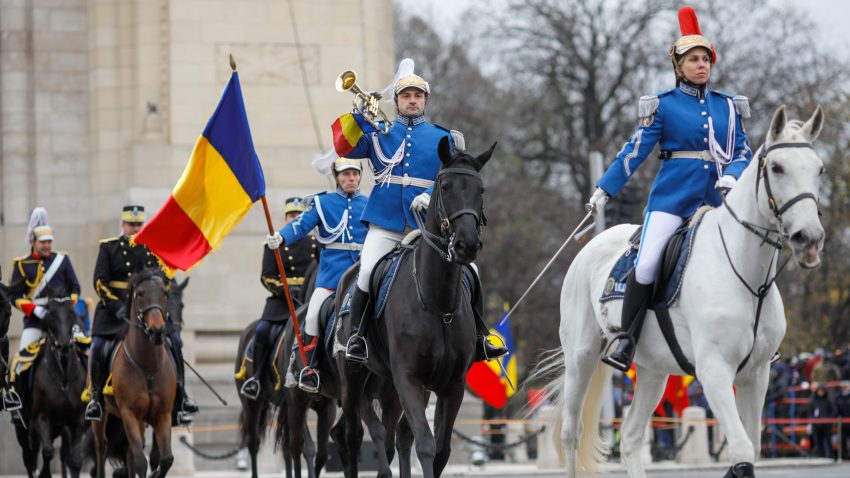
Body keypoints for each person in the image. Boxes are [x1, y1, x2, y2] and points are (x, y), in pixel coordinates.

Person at [589, 7, 752, 372]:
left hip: (718, 200)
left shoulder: (728, 107)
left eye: (705, 59)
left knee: (752, 253)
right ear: (679, 67)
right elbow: (634, 151)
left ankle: (758, 338)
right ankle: (626, 339)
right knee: (647, 263)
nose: (701, 65)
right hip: (673, 200)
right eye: (693, 60)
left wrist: (733, 176)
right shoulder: (663, 105)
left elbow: (743, 151)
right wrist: (605, 189)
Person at [336, 58, 507, 364]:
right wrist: (357, 117)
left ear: (425, 100)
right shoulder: (378, 133)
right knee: (367, 271)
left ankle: (480, 337)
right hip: (386, 223)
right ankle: (358, 338)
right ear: (397, 101)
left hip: (428, 225)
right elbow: (343, 148)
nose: (412, 100)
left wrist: (429, 195)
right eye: (406, 96)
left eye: (418, 96)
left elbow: (456, 176)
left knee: (472, 273)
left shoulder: (444, 138)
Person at [262, 157, 368, 394]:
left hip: (363, 273)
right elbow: (301, 224)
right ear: (336, 177)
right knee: (311, 316)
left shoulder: (369, 204)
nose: (351, 178)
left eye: (355, 174)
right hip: (331, 277)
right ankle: (310, 368)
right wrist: (281, 236)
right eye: (346, 174)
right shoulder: (322, 203)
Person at [85, 205, 199, 423]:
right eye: (131, 224)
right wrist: (118, 307)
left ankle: (181, 397)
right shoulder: (109, 247)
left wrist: (164, 311)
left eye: (139, 225)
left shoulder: (154, 248)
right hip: (114, 312)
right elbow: (100, 283)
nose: (135, 229)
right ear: (123, 225)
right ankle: (96, 399)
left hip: (148, 313)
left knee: (175, 341)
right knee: (98, 346)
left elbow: (168, 282)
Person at [7, 208, 83, 421]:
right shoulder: (21, 264)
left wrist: (66, 307)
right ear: (33, 241)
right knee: (20, 362)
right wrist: (34, 309)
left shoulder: (62, 260)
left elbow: (75, 288)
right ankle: (18, 404)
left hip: (62, 321)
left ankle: (90, 398)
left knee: (85, 351)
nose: (47, 246)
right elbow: (14, 296)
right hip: (35, 321)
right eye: (43, 242)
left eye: (49, 241)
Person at [239, 197, 320, 399]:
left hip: (308, 299)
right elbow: (267, 276)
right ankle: (256, 379)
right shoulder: (273, 243)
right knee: (262, 331)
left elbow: (322, 270)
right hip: (281, 302)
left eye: (299, 215)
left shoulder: (315, 243)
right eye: (291, 215)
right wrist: (286, 291)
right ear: (285, 219)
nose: (295, 218)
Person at [809, 383, 836, 458]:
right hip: (817, 424)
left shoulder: (828, 400)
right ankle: (821, 456)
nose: (820, 392)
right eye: (819, 391)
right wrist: (814, 419)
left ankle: (830, 455)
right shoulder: (813, 400)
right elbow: (810, 412)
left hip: (827, 424)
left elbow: (834, 411)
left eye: (822, 391)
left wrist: (828, 419)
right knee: (818, 441)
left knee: (828, 440)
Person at [835, 381, 850, 459]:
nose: (844, 388)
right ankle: (844, 456)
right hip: (842, 422)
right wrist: (838, 416)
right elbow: (836, 408)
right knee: (842, 440)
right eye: (843, 386)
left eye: (846, 386)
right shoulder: (838, 397)